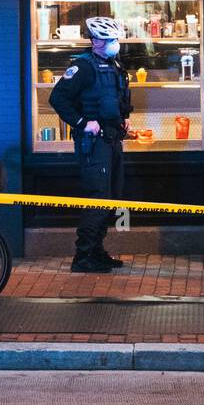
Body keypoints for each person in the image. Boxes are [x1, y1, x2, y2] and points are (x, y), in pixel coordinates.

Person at [49, 16, 132, 273]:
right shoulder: (82, 68)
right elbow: (58, 98)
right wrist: (83, 122)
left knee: (109, 197)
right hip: (93, 144)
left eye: (116, 39)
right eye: (109, 40)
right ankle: (83, 257)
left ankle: (97, 251)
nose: (114, 44)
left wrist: (125, 119)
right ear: (95, 41)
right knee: (97, 198)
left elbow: (115, 97)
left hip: (111, 139)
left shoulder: (113, 64)